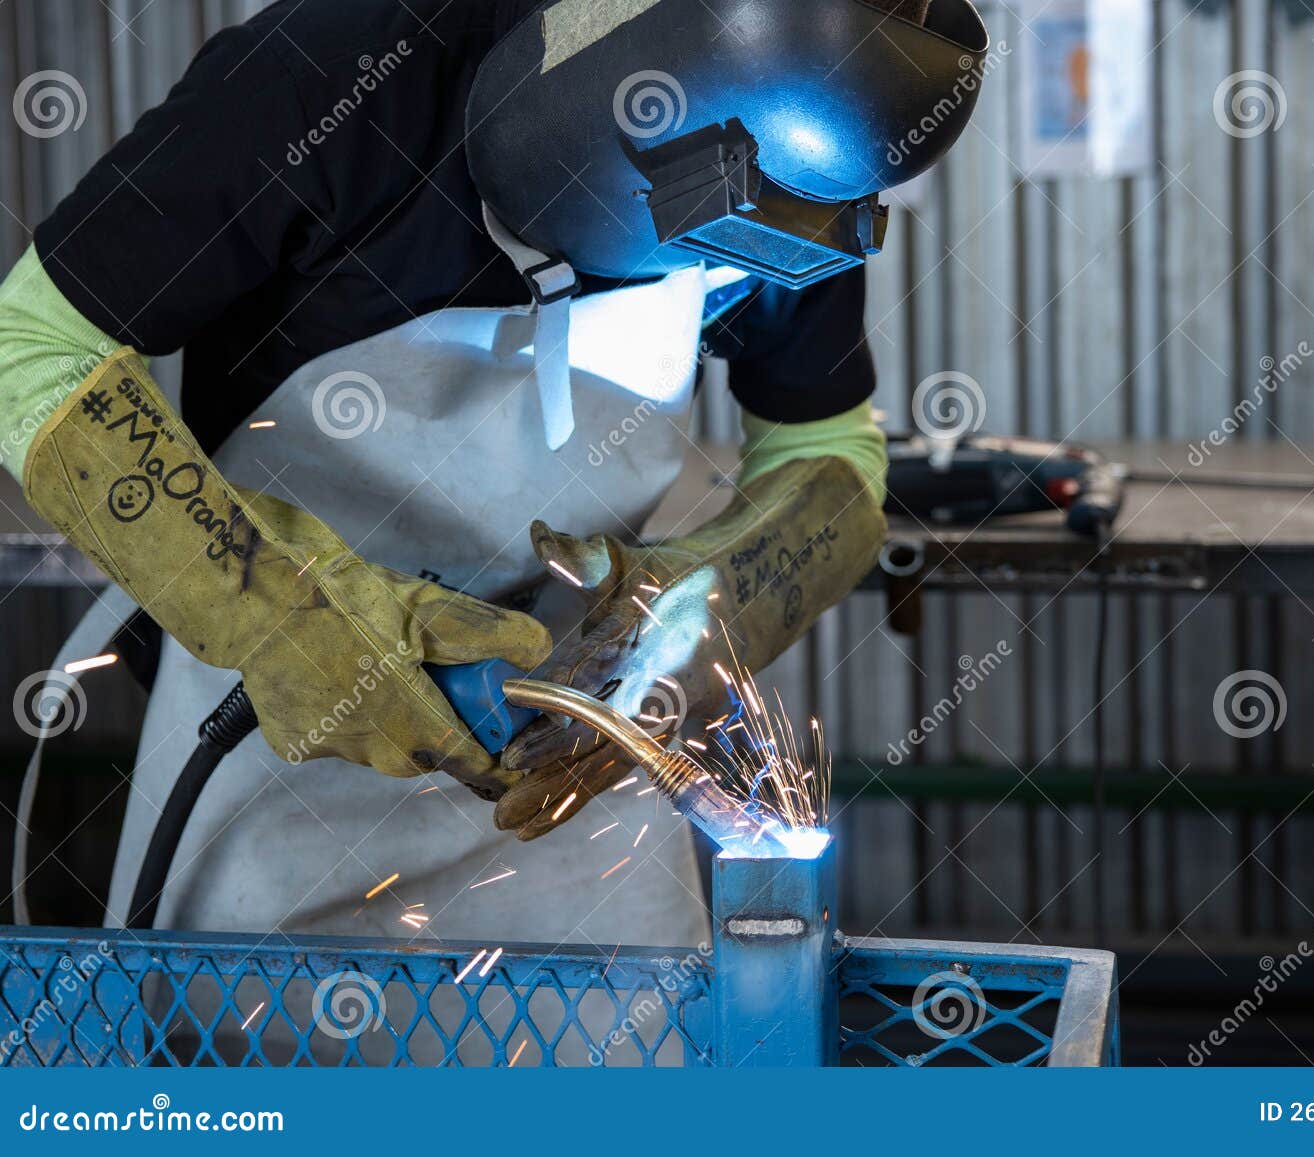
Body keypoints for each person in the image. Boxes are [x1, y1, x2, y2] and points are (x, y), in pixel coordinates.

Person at [0, 0, 985, 955]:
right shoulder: (337, 75)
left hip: (574, 751)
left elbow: (828, 449)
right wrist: (281, 615)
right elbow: (29, 347)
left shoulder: (801, 170)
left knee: (628, 1058)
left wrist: (695, 614)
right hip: (275, 742)